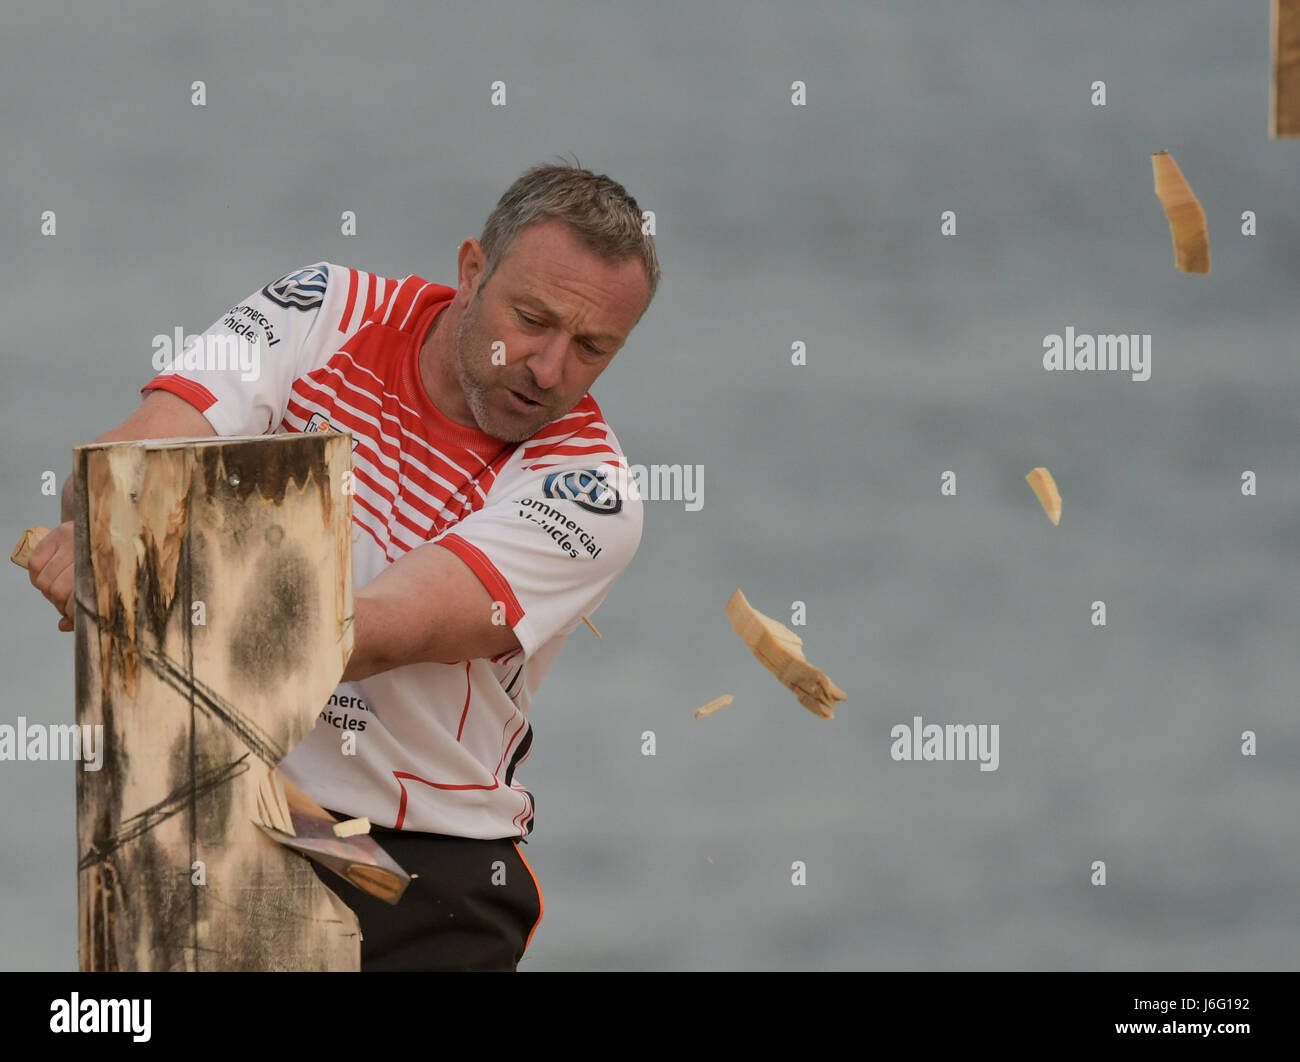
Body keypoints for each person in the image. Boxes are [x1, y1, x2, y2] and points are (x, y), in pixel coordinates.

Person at [26, 161, 660, 971]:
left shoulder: (590, 496)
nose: (547, 368)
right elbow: (135, 457)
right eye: (531, 319)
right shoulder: (326, 307)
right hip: (219, 797)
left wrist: (133, 562)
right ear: (472, 271)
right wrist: (98, 521)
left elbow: (364, 631)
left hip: (426, 866)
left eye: (592, 348)